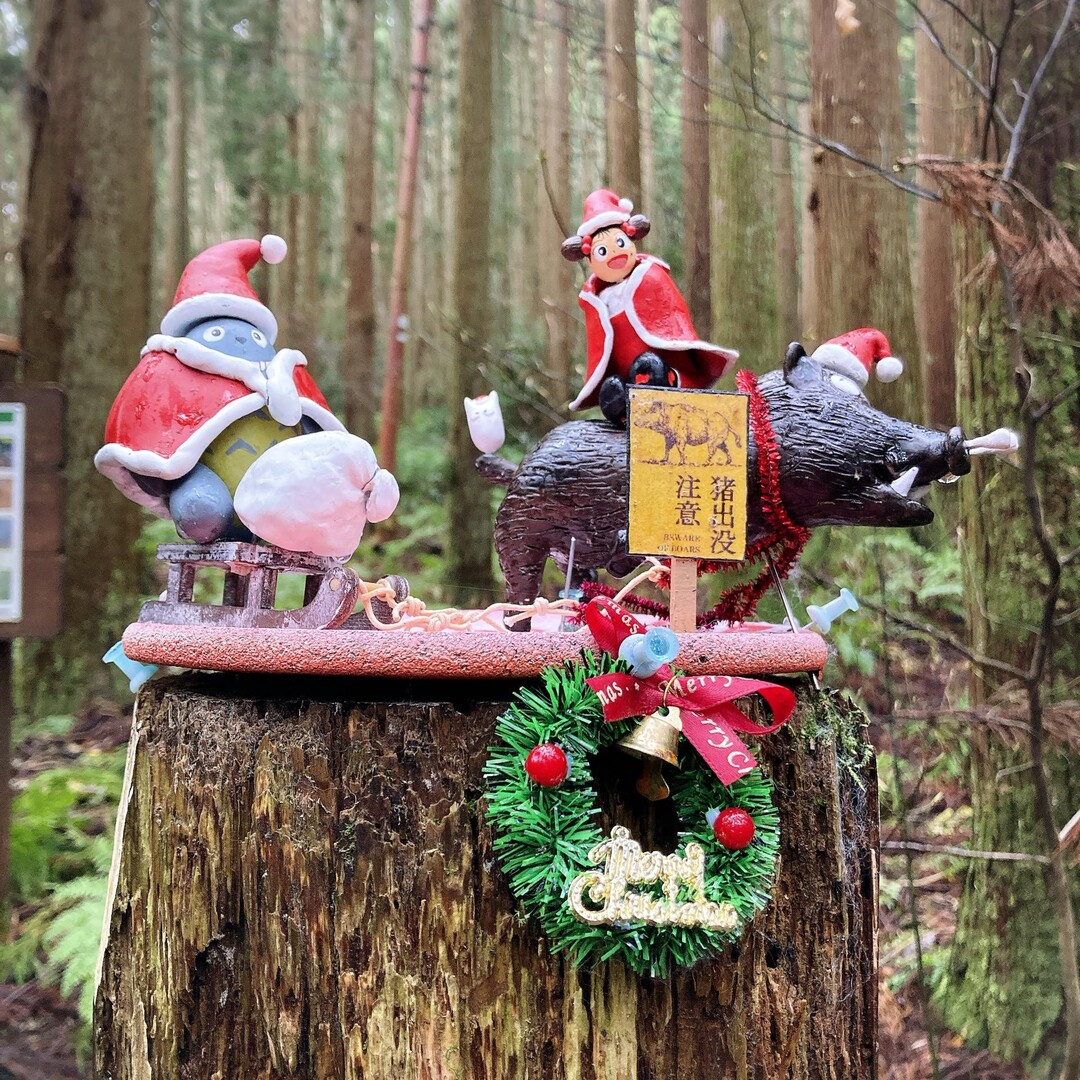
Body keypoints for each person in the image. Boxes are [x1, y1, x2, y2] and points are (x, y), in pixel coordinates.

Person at [562, 189, 738, 426]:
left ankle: (666, 381)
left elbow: (673, 319)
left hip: (664, 363)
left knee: (650, 367)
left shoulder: (651, 275)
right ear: (590, 259)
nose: (614, 253)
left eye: (619, 243)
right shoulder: (595, 300)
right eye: (602, 251)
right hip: (625, 375)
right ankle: (623, 407)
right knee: (613, 388)